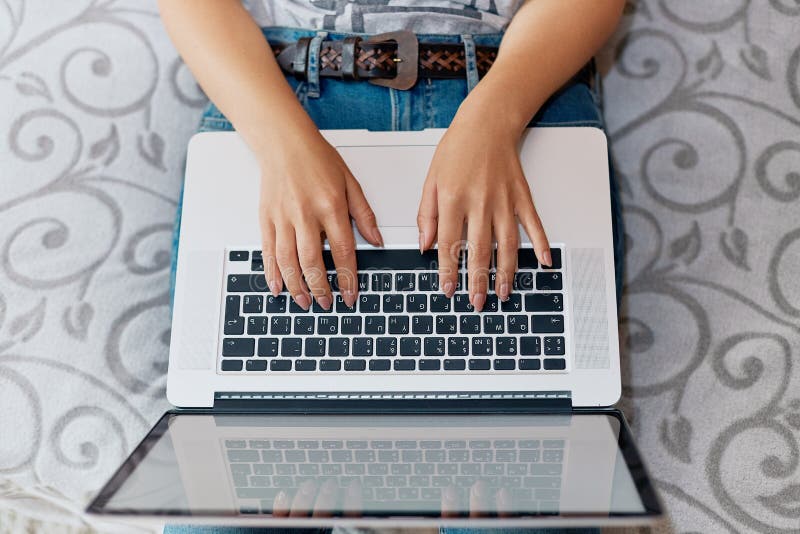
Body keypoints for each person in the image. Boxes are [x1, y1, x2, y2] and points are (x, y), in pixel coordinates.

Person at [160, 0, 625, 531]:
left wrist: (494, 119)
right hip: (275, 101)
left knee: (523, 504)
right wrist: (282, 145)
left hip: (519, 91)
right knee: (235, 504)